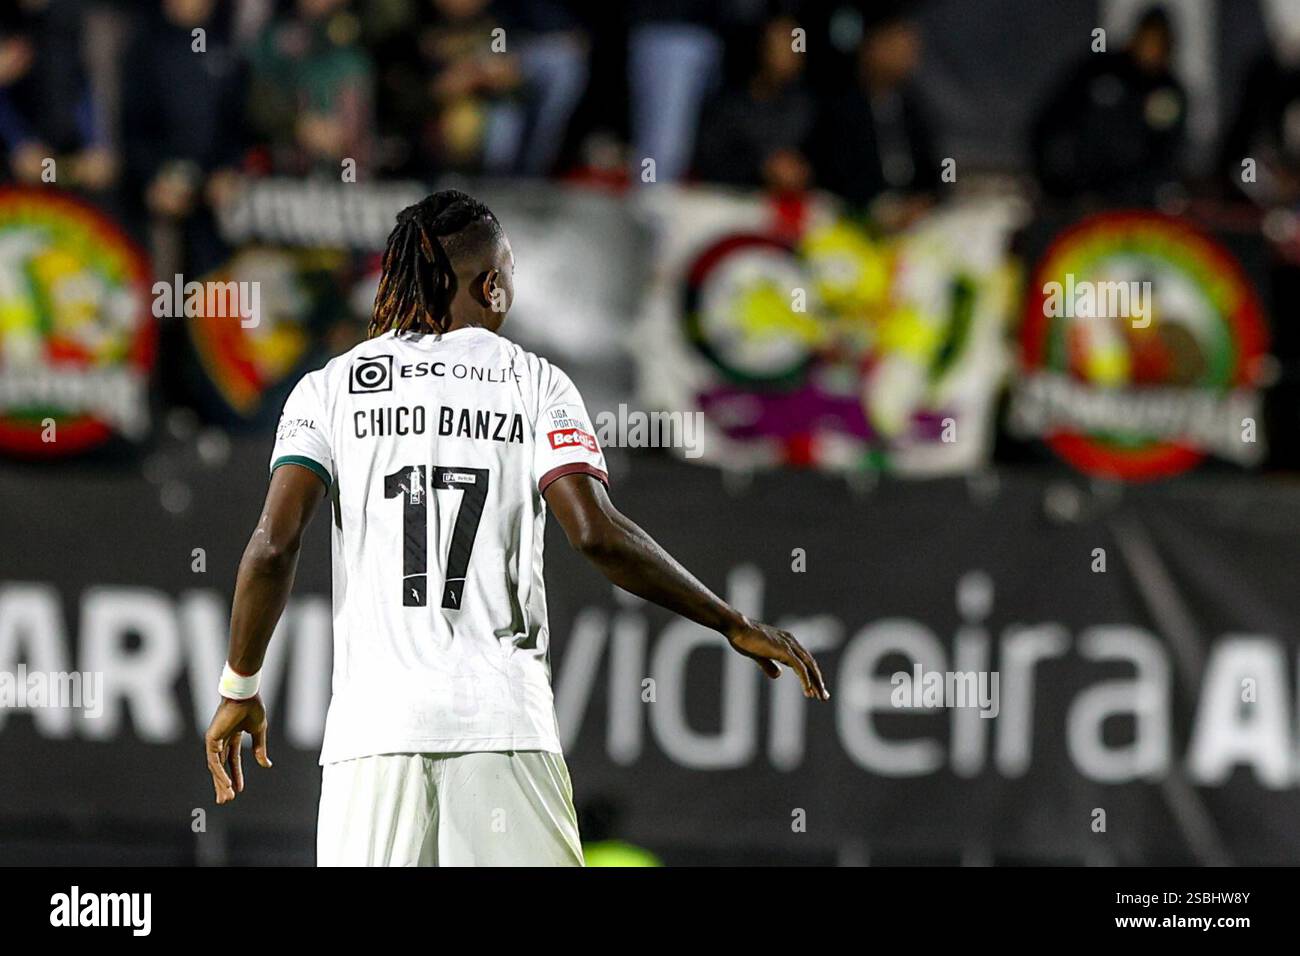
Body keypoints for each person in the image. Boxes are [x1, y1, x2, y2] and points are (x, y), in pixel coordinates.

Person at [202, 189, 830, 867]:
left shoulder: (330, 388)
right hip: (500, 724)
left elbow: (273, 545)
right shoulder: (534, 384)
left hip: (373, 736)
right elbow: (596, 533)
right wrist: (728, 619)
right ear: (492, 283)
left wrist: (239, 685)